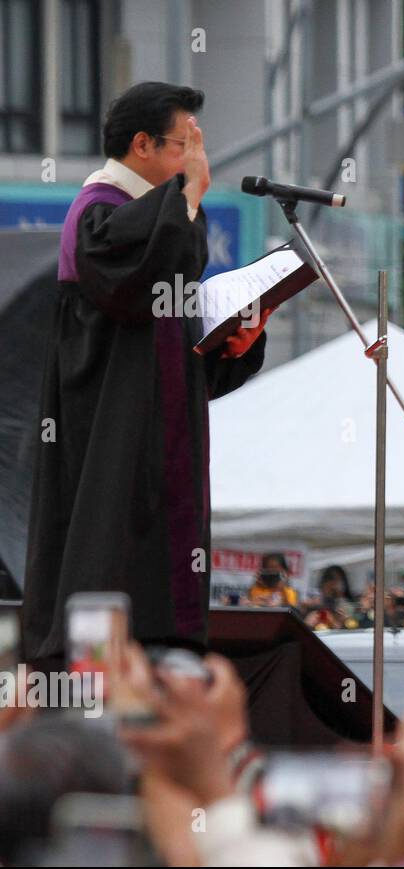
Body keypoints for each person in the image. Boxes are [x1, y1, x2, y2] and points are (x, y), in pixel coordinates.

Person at [21, 82, 269, 668]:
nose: (195, 161)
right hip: (111, 452)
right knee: (112, 589)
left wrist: (231, 344)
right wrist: (190, 194)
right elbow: (132, 296)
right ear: (142, 144)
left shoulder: (144, 225)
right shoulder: (98, 217)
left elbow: (172, 366)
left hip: (158, 453)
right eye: (185, 145)